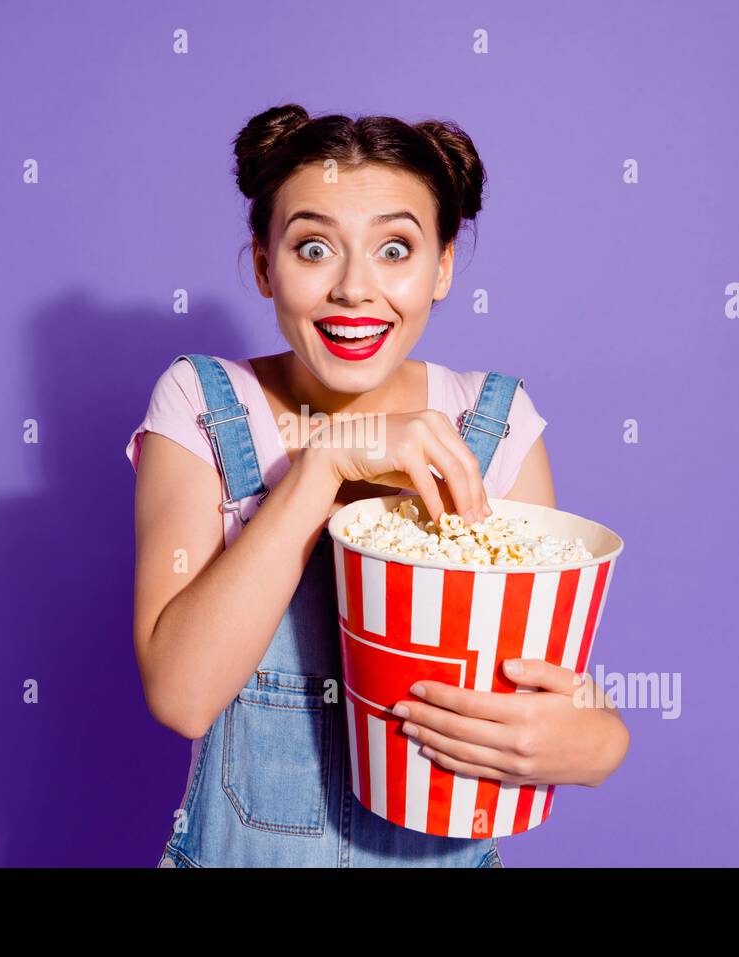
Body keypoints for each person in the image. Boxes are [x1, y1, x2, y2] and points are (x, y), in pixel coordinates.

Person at [126, 104, 629, 867]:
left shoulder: (495, 425)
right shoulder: (203, 404)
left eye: (396, 248)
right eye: (314, 247)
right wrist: (326, 461)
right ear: (264, 264)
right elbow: (181, 695)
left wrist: (600, 740)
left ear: (444, 268)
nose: (355, 289)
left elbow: (539, 684)